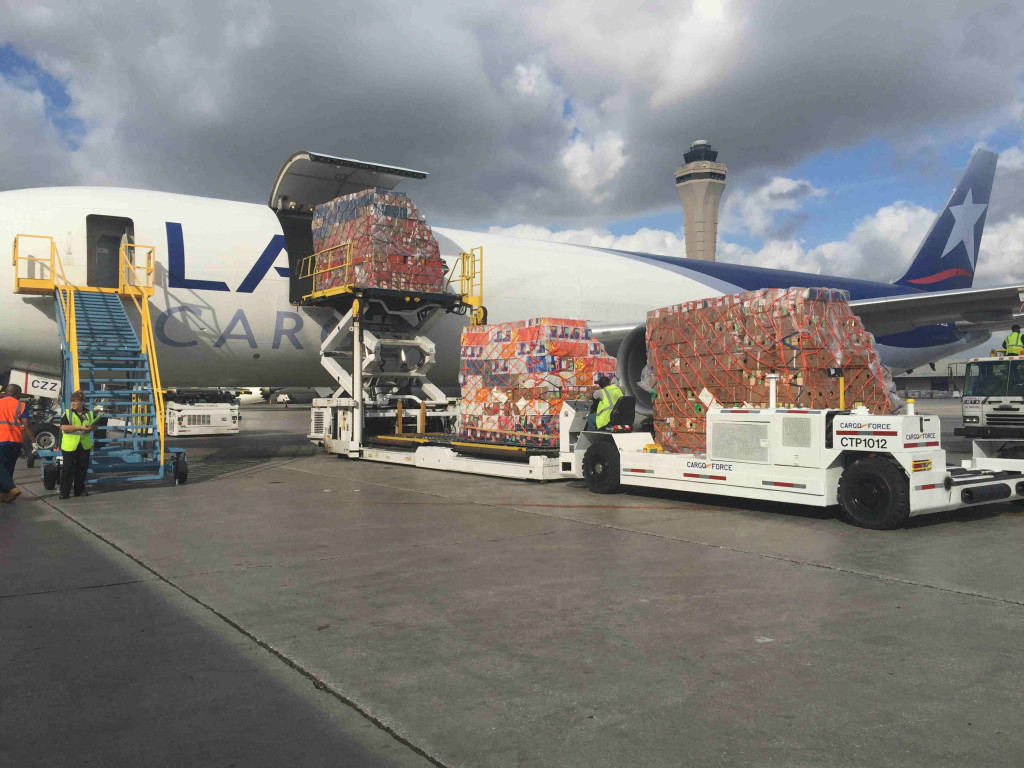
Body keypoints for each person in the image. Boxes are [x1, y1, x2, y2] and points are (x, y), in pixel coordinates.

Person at [0, 383, 35, 503]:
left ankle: (11, 488)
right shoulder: (21, 405)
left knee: (1, 467)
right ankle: (4, 494)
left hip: (1, 440)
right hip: (16, 441)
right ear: (16, 393)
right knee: (9, 467)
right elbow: (26, 424)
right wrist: (33, 441)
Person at [59, 391, 98, 499]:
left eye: (75, 401)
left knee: (82, 469)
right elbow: (63, 427)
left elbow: (95, 426)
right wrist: (80, 428)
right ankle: (64, 492)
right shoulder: (67, 413)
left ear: (82, 402)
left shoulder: (89, 413)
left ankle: (79, 490)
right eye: (72, 401)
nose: (73, 403)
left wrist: (92, 427)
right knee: (67, 469)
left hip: (84, 445)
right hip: (70, 446)